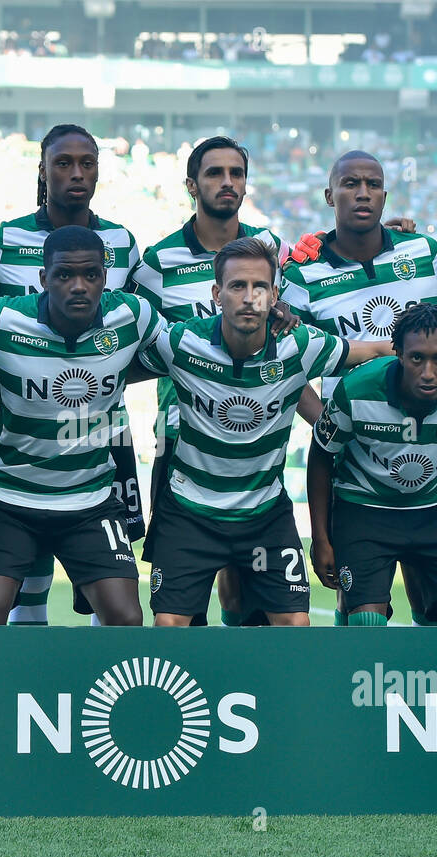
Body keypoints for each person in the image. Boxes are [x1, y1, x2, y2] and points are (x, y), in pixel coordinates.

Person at [137, 236, 395, 626]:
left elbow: (376, 350)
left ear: (275, 294)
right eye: (237, 286)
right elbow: (116, 358)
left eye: (260, 287)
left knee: (297, 626)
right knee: (168, 627)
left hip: (264, 514)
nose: (249, 297)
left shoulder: (301, 345)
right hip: (190, 512)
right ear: (217, 294)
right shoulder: (182, 342)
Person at [0, 123, 143, 626]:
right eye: (63, 163)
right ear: (43, 170)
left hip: (101, 435)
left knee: (109, 600)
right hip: (23, 436)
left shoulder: (122, 242)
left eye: (87, 163)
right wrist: (4, 387)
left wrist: (103, 377)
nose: (76, 173)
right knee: (23, 583)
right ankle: (21, 689)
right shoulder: (1, 242)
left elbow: (142, 334)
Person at [283, 149, 437, 627]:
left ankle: (435, 697)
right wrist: (331, 422)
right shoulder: (302, 274)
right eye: (350, 183)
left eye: (372, 183)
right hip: (356, 465)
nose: (362, 192)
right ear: (330, 195)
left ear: (386, 194)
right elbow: (289, 368)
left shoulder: (425, 253)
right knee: (362, 616)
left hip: (428, 465)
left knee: (435, 606)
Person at [0, 226, 162, 627]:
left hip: (89, 499)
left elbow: (184, 349)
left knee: (126, 619)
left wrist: (270, 321)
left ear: (105, 276)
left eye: (91, 275)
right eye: (65, 275)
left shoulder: (133, 316)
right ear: (43, 279)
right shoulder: (2, 318)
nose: (79, 286)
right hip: (6, 496)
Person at [130, 135, 287, 626]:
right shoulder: (157, 264)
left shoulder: (273, 250)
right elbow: (134, 347)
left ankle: (247, 688)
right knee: (183, 598)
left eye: (236, 173)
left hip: (253, 437)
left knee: (245, 595)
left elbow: (294, 334)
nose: (227, 183)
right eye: (215, 173)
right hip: (181, 438)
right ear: (191, 185)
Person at [307, 303, 437, 628]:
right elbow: (321, 455)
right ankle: (348, 632)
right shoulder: (355, 390)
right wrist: (321, 538)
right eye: (416, 358)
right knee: (366, 624)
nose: (428, 372)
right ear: (397, 352)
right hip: (363, 511)